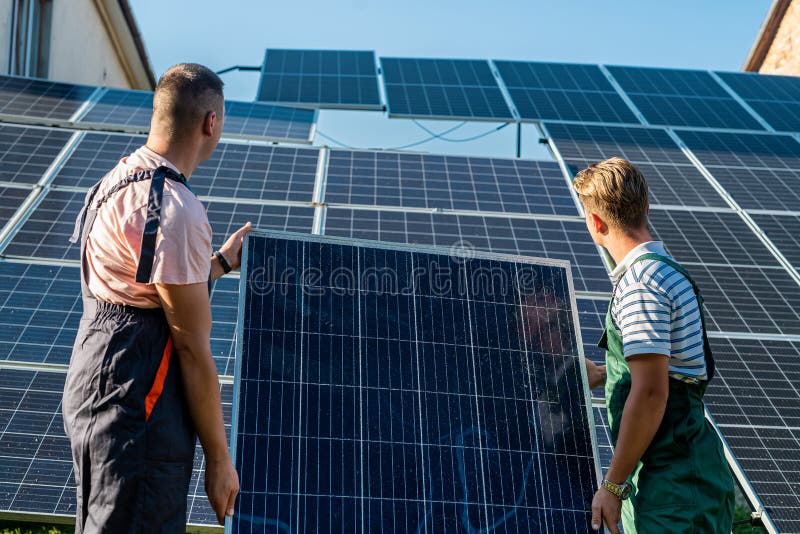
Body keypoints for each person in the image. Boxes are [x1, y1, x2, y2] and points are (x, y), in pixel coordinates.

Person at [62, 63, 249, 532]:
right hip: (138, 397)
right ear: (211, 122)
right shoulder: (176, 209)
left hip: (97, 382)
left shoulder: (115, 182)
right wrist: (220, 459)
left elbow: (146, 289)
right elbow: (191, 348)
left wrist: (221, 263)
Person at [576, 158, 734, 533]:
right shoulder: (660, 271)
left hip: (675, 487)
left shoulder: (641, 285)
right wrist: (594, 375)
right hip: (670, 481)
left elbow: (650, 393)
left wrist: (612, 486)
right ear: (645, 208)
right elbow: (664, 370)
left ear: (596, 223)